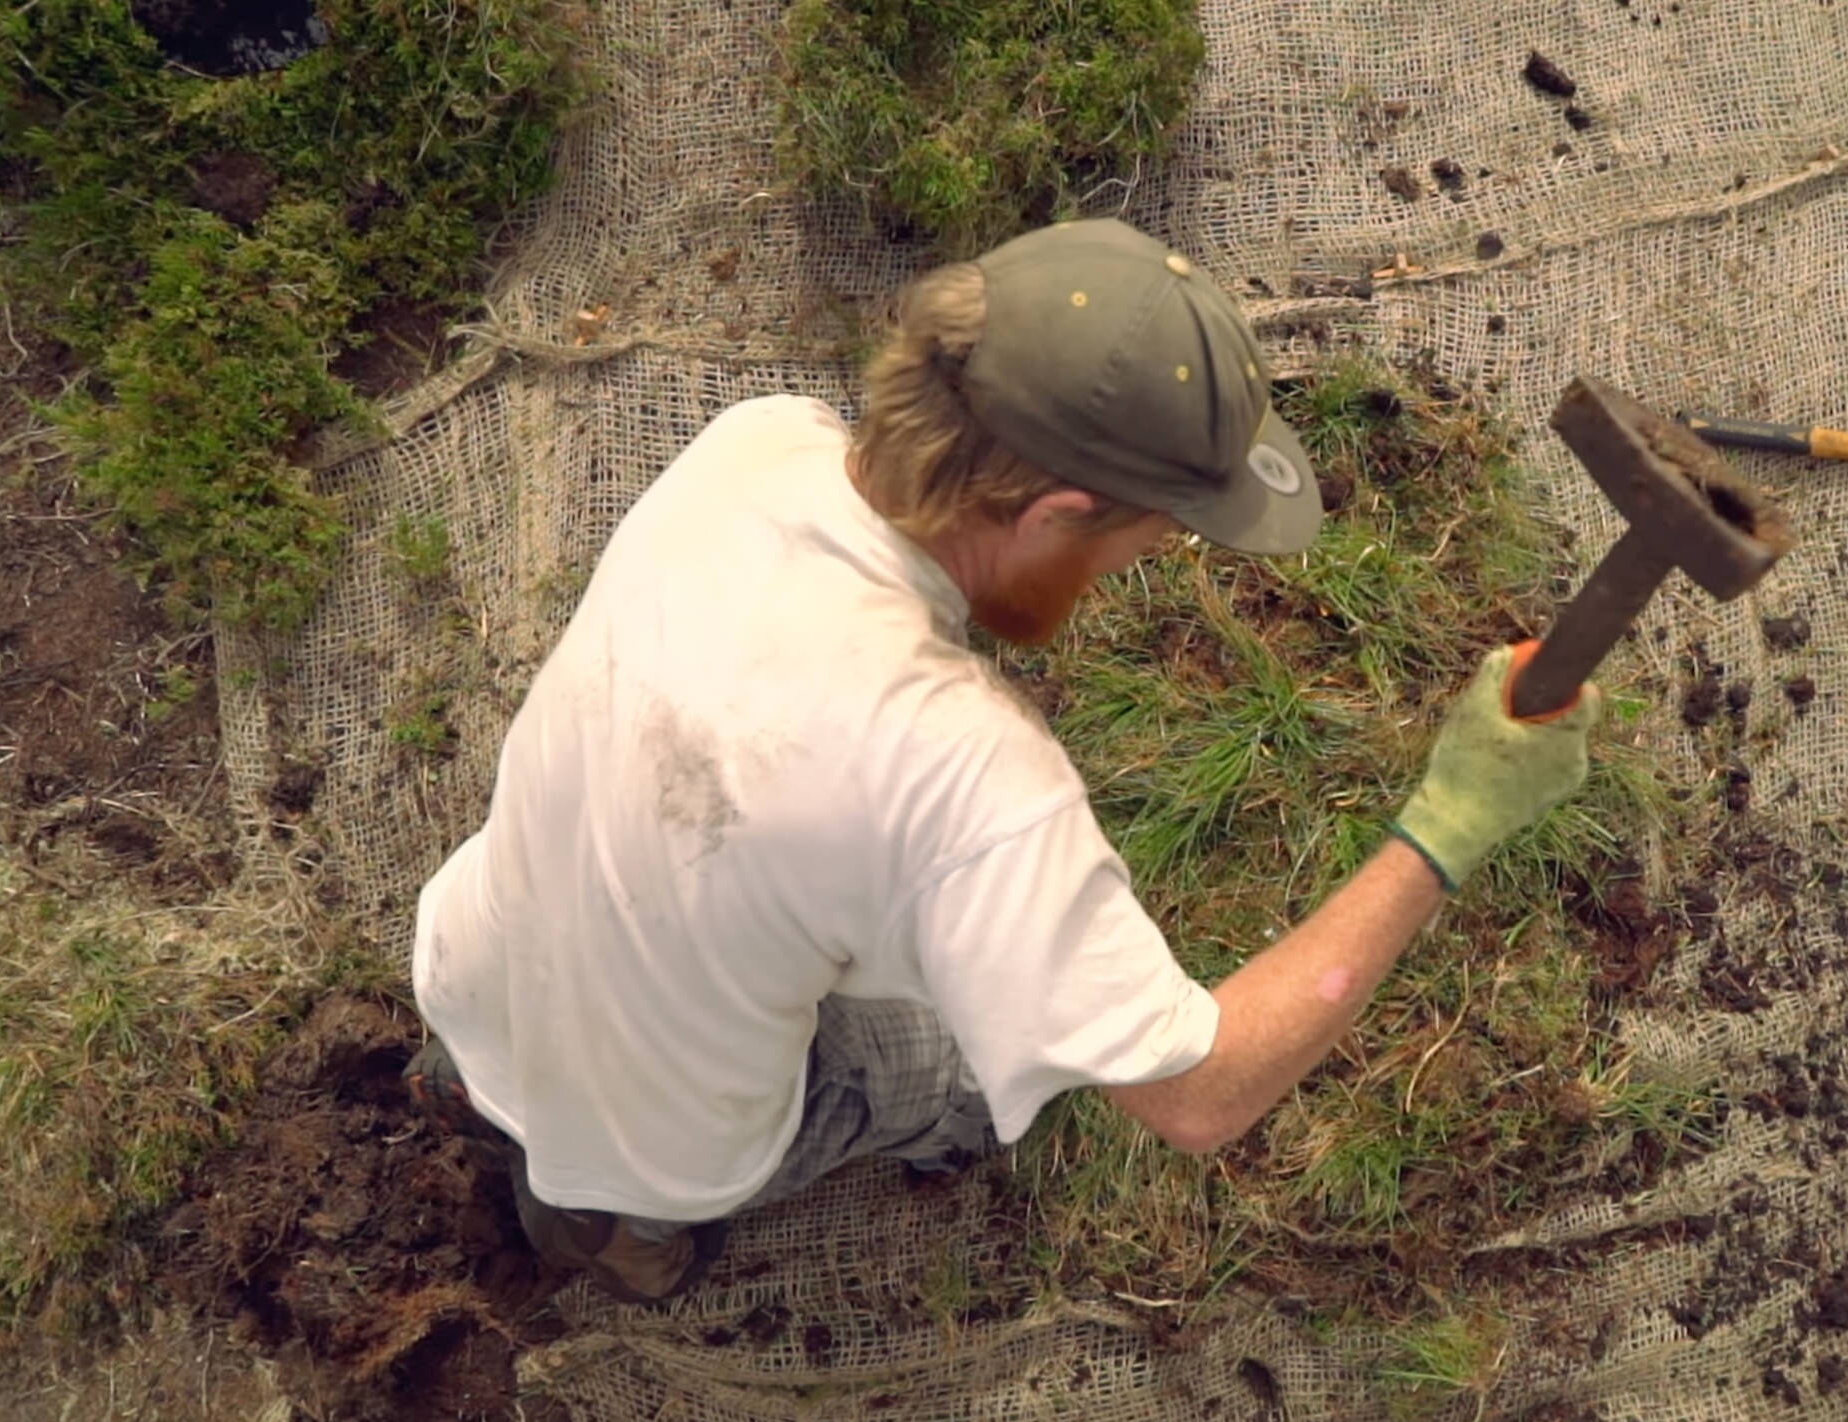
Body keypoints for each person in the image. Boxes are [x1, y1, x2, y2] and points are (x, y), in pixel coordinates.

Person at [402, 219, 1597, 1304]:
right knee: (976, 1079)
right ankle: (616, 1225)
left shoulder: (756, 446)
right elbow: (1198, 1092)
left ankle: (508, 1112)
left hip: (468, 961)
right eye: (1150, 536)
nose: (1144, 563)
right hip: (658, 1137)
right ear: (1052, 513)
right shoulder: (966, 777)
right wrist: (1448, 820)